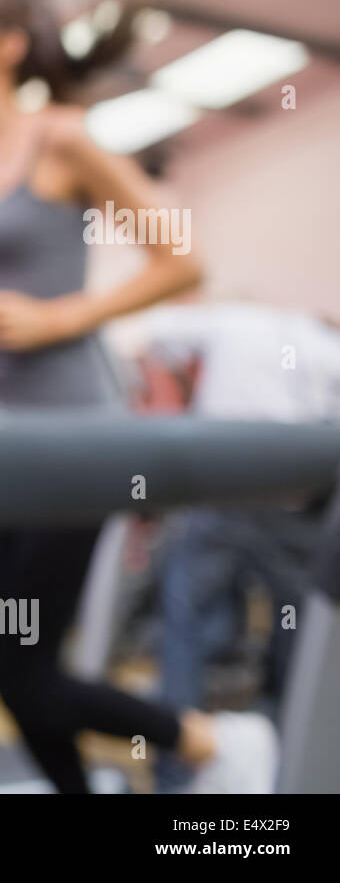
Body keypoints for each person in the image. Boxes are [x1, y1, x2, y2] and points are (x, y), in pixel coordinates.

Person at [0, 0, 272, 792]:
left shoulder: (61, 139)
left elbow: (184, 259)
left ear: (7, 46)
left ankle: (206, 741)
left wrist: (61, 318)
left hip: (73, 431)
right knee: (5, 669)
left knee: (27, 667)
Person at [136, 302, 340, 790]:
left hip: (223, 490)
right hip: (293, 502)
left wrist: (186, 395)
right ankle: (291, 765)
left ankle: (174, 771)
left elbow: (156, 333)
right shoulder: (328, 348)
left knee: (185, 628)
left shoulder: (234, 321)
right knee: (298, 639)